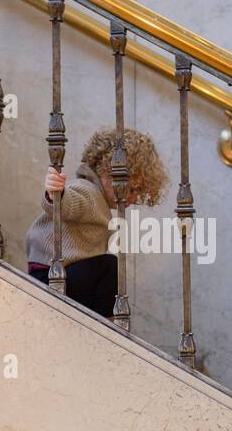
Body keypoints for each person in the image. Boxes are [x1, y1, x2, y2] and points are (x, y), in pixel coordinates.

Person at [24, 127, 168, 318]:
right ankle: (108, 327)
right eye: (132, 189)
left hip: (59, 274)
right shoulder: (88, 191)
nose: (133, 198)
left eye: (139, 193)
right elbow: (68, 204)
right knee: (109, 266)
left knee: (106, 269)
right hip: (51, 275)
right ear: (107, 173)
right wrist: (56, 194)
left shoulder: (96, 198)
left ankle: (102, 323)